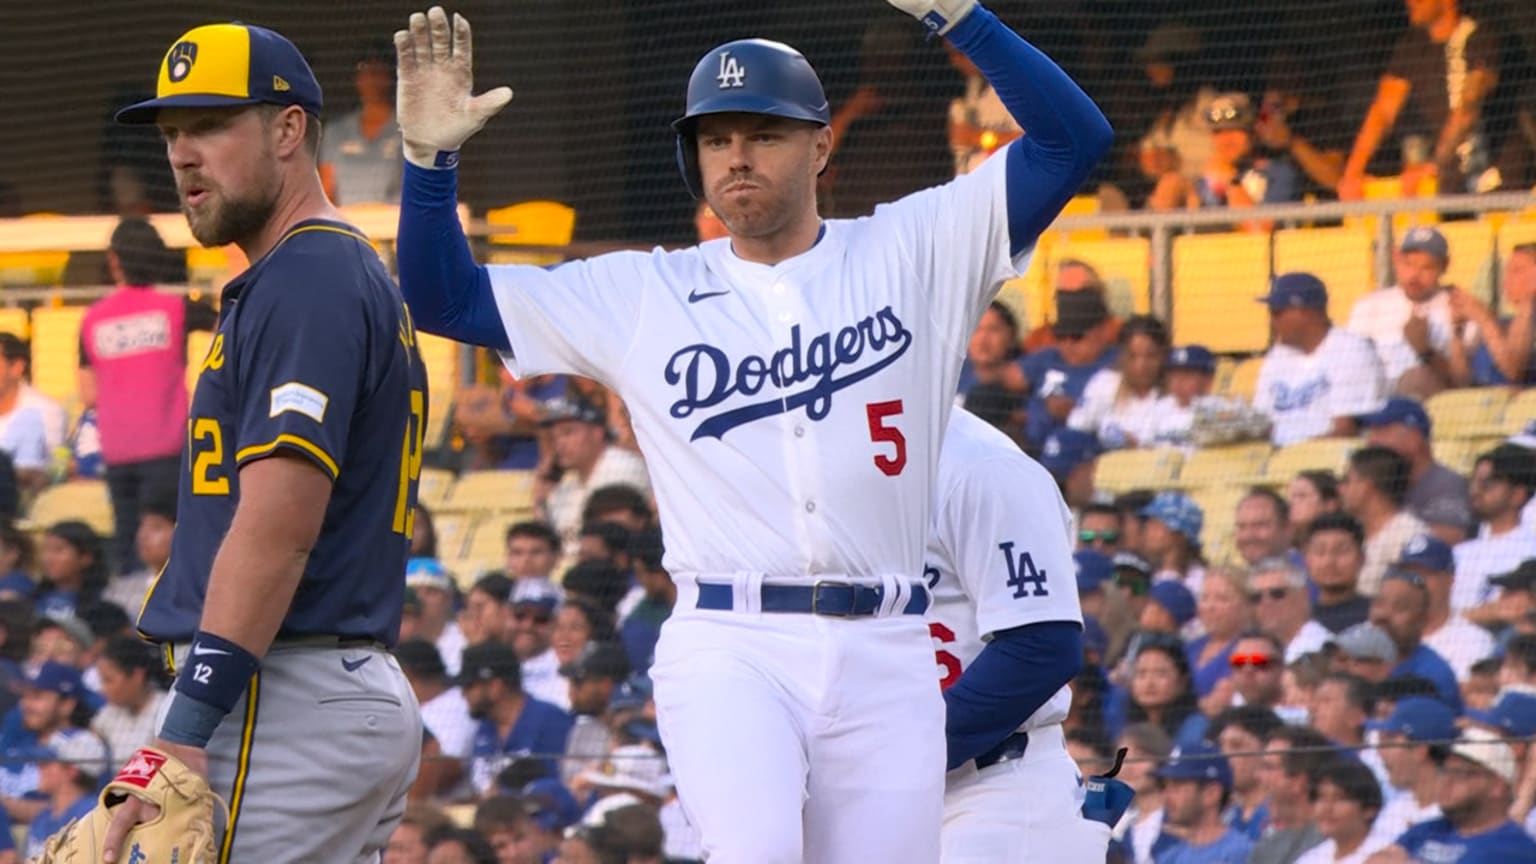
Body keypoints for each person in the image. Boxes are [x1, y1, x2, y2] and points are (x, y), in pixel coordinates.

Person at [392, 3, 1111, 861]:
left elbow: (1072, 142)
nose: (736, 155)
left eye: (764, 133)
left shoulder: (915, 248)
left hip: (890, 646)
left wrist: (964, 20)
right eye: (716, 136)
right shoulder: (641, 293)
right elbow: (444, 297)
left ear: (820, 146)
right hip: (732, 639)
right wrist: (428, 163)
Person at [104, 22, 429, 862]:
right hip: (315, 689)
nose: (181, 154)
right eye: (172, 133)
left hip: (277, 694)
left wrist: (181, 731)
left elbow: (278, 529)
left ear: (288, 130)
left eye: (210, 125)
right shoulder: (308, 274)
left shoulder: (309, 276)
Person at [923, 407, 1102, 860]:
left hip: (995, 791)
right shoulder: (825, 463)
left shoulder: (982, 465)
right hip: (889, 795)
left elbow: (1041, 648)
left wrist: (909, 754)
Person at [79, 216, 218, 574]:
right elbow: (232, 329)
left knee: (130, 548)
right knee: (174, 544)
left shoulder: (92, 319)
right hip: (169, 450)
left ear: (114, 260)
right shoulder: (177, 308)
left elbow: (87, 393)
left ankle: (133, 623)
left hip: (118, 453)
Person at [1252, 273, 1385, 446]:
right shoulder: (1277, 357)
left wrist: (1290, 454)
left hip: (1326, 461)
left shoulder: (1352, 351)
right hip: (1275, 461)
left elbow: (1347, 430)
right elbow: (1260, 424)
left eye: (1276, 312)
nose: (1272, 321)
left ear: (1305, 312)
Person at [1367, 728, 1536, 863]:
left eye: (1460, 773)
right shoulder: (1428, 829)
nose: (1446, 782)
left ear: (1497, 786)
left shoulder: (1514, 849)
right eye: (1445, 771)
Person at [320, 40, 402, 205]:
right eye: (365, 69)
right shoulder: (335, 132)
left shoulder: (407, 131)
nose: (371, 77)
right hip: (346, 226)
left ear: (390, 76)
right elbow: (327, 192)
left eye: (378, 70)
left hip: (395, 226)